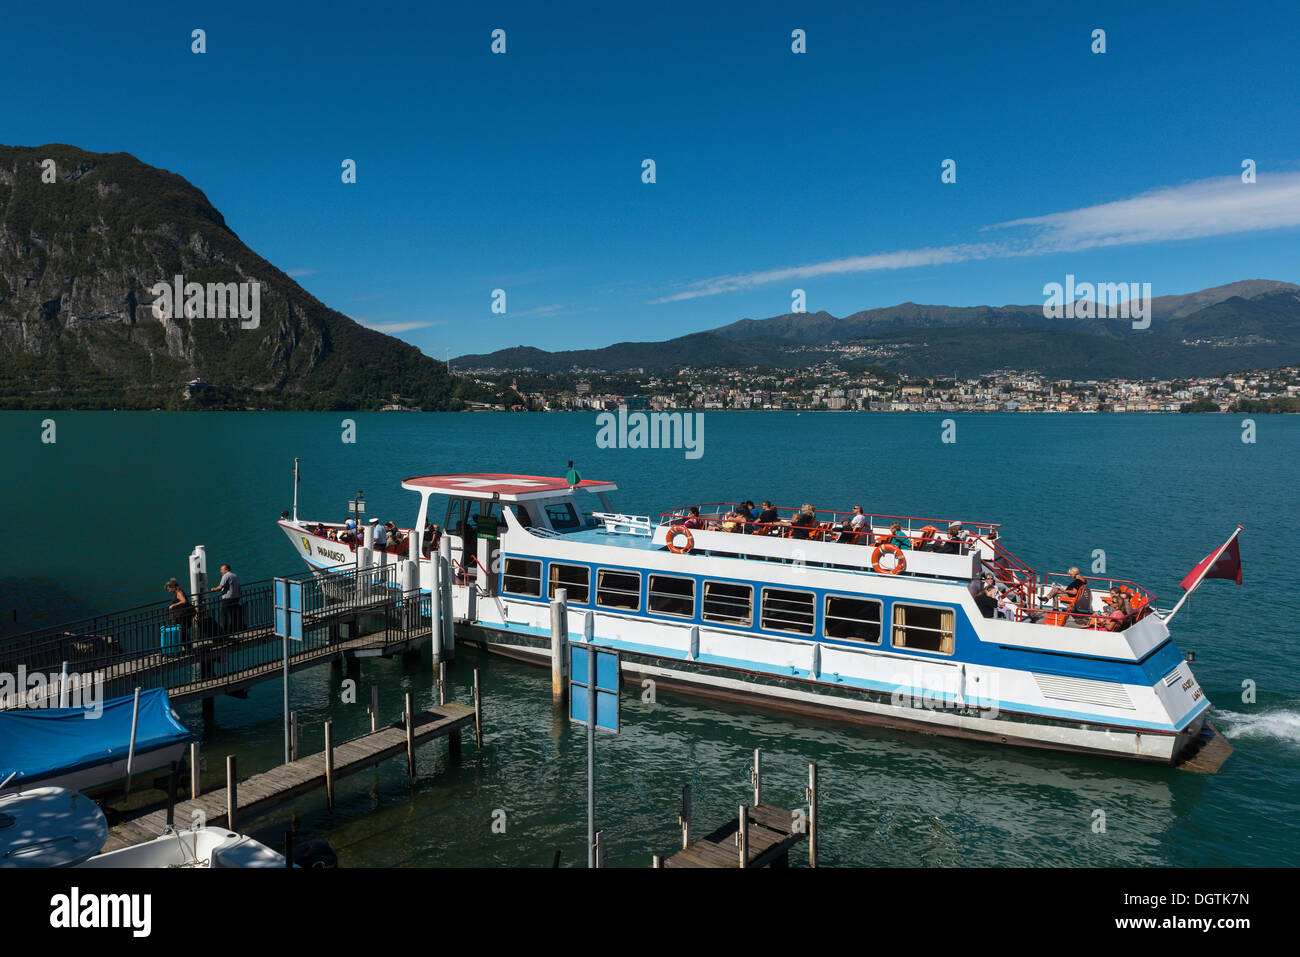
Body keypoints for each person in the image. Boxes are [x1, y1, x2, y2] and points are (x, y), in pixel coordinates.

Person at [211, 563, 242, 635]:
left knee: (223, 615)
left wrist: (213, 589)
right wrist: (239, 596)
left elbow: (220, 587)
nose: (220, 571)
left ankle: (224, 631)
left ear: (226, 569)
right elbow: (239, 587)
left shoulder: (226, 576)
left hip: (227, 599)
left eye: (221, 569)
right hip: (235, 598)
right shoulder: (235, 575)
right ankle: (234, 629)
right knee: (233, 614)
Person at [164, 578, 192, 644]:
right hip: (180, 615)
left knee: (182, 632)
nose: (169, 591)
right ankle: (188, 647)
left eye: (169, 589)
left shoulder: (179, 593)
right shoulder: (177, 592)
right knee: (182, 632)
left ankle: (188, 648)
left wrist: (173, 605)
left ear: (173, 587)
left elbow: (183, 601)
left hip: (182, 615)